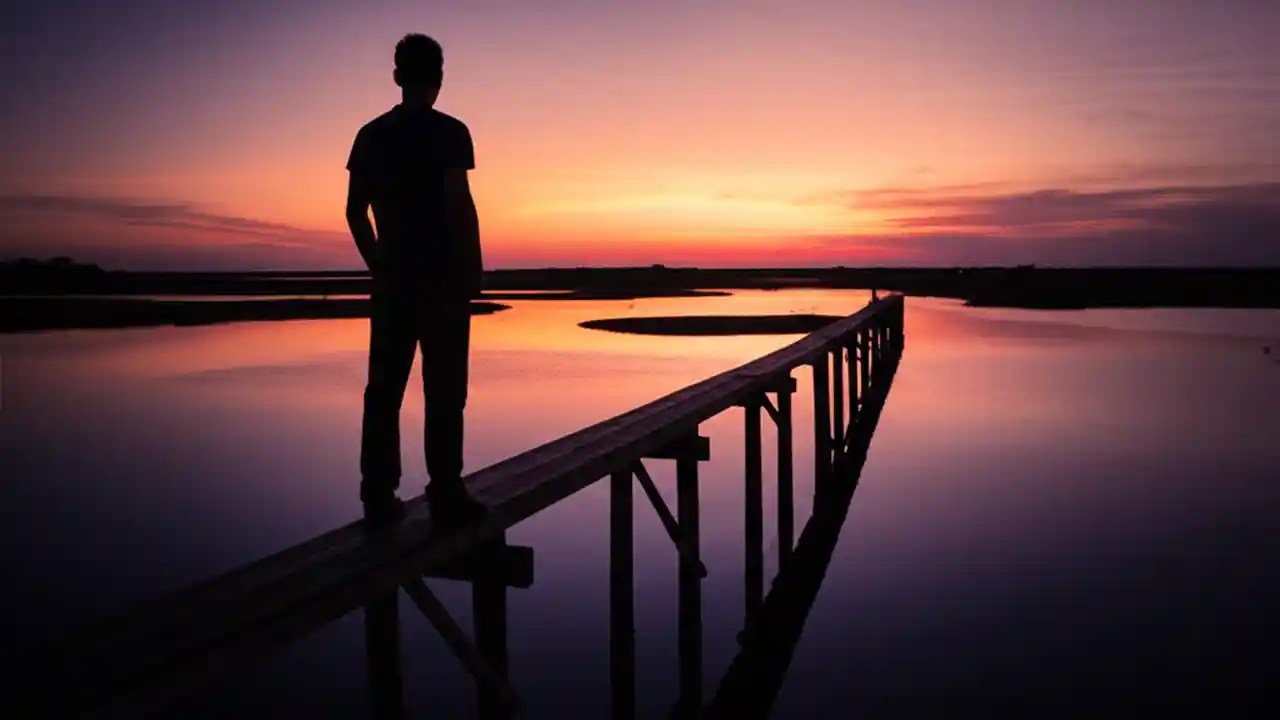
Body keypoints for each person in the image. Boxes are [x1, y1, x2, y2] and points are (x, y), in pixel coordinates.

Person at [346, 33, 486, 527]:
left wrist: (378, 264)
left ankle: (378, 496)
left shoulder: (371, 134)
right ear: (439, 78)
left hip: (394, 285)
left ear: (398, 77)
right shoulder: (451, 132)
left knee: (384, 391)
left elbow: (354, 213)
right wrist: (473, 268)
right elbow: (459, 203)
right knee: (445, 390)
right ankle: (446, 491)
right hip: (443, 282)